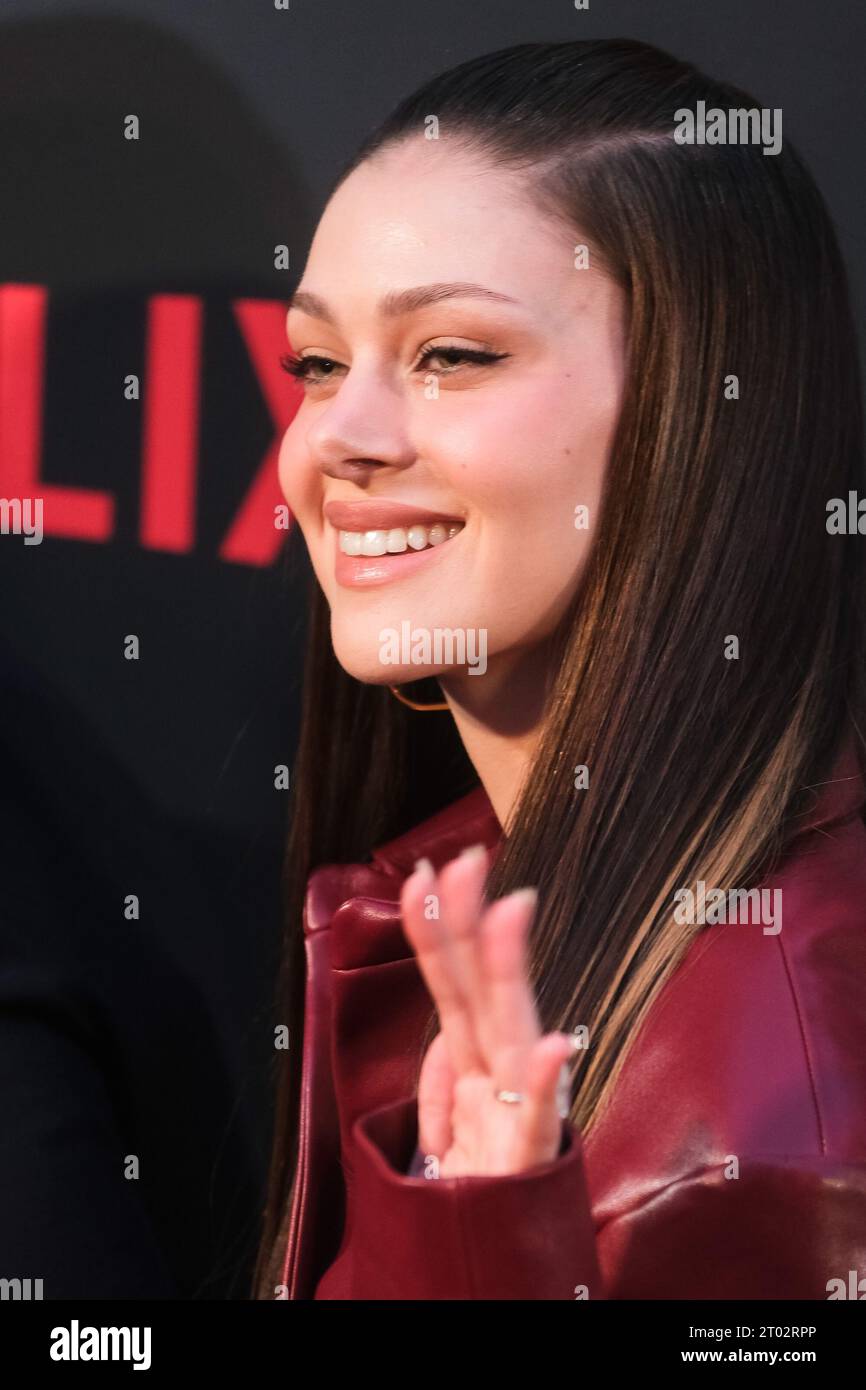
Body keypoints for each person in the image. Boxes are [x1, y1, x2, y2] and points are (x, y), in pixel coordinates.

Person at [254, 38, 866, 1299]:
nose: (339, 438)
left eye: (452, 355)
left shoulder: (761, 1128)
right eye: (317, 364)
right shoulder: (458, 890)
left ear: (699, 413)